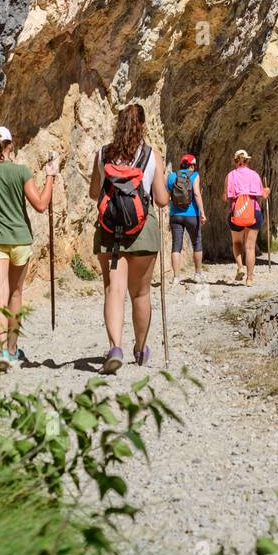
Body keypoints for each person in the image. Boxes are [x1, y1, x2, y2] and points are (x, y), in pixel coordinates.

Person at [0, 126, 56, 371]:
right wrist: (50, 177)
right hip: (20, 240)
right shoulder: (21, 172)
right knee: (15, 295)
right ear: (10, 145)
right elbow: (40, 204)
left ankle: (2, 351)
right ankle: (14, 350)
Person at [90, 102, 168, 373]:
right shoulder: (152, 156)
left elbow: (93, 192)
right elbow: (160, 199)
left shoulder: (102, 154)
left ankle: (115, 348)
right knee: (141, 292)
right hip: (142, 230)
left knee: (114, 289)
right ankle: (140, 349)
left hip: (109, 230)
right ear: (143, 126)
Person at [225, 148, 269, 286]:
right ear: (247, 160)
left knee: (237, 242)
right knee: (250, 247)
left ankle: (240, 266)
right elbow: (263, 194)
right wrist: (266, 191)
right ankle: (249, 278)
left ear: (235, 160)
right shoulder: (255, 175)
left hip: (237, 212)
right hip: (253, 211)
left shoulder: (230, 175)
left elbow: (226, 197)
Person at [166, 152, 206, 284]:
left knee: (176, 245)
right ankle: (197, 274)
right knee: (197, 243)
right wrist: (202, 212)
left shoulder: (172, 176)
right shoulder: (194, 175)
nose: (194, 167)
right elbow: (196, 194)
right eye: (193, 165)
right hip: (191, 215)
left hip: (175, 215)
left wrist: (169, 213)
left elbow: (167, 197)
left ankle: (176, 277)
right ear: (191, 166)